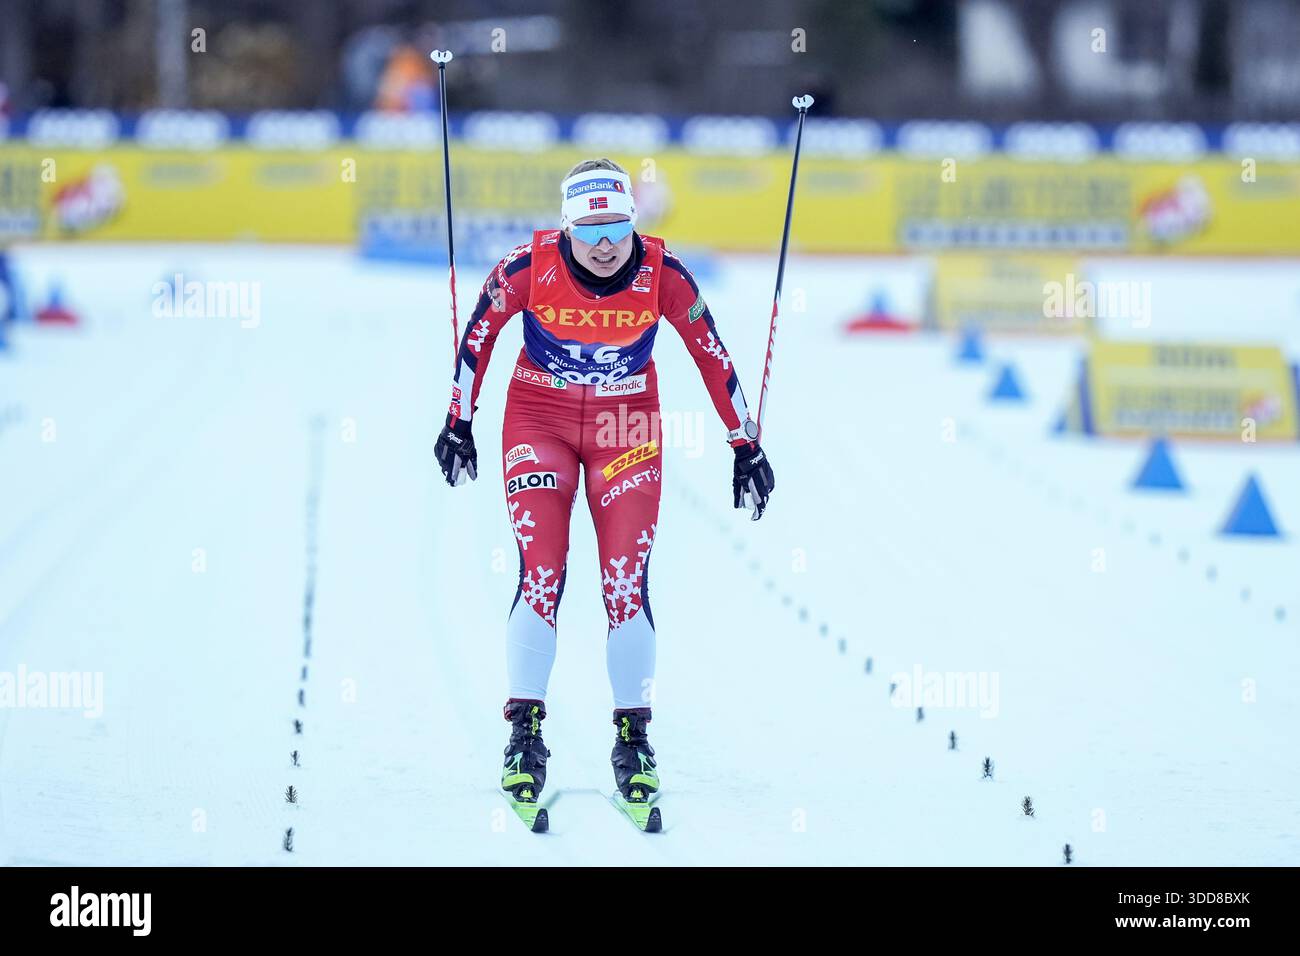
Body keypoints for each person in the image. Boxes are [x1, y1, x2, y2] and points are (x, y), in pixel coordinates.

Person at [435, 159, 775, 810]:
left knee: (624, 579)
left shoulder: (662, 272)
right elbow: (477, 337)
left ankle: (632, 739)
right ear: (566, 227)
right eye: (590, 229)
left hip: (626, 426)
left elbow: (713, 353)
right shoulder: (526, 266)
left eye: (617, 225)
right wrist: (459, 422)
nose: (604, 243)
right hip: (541, 418)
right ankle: (524, 734)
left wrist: (745, 444)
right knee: (543, 570)